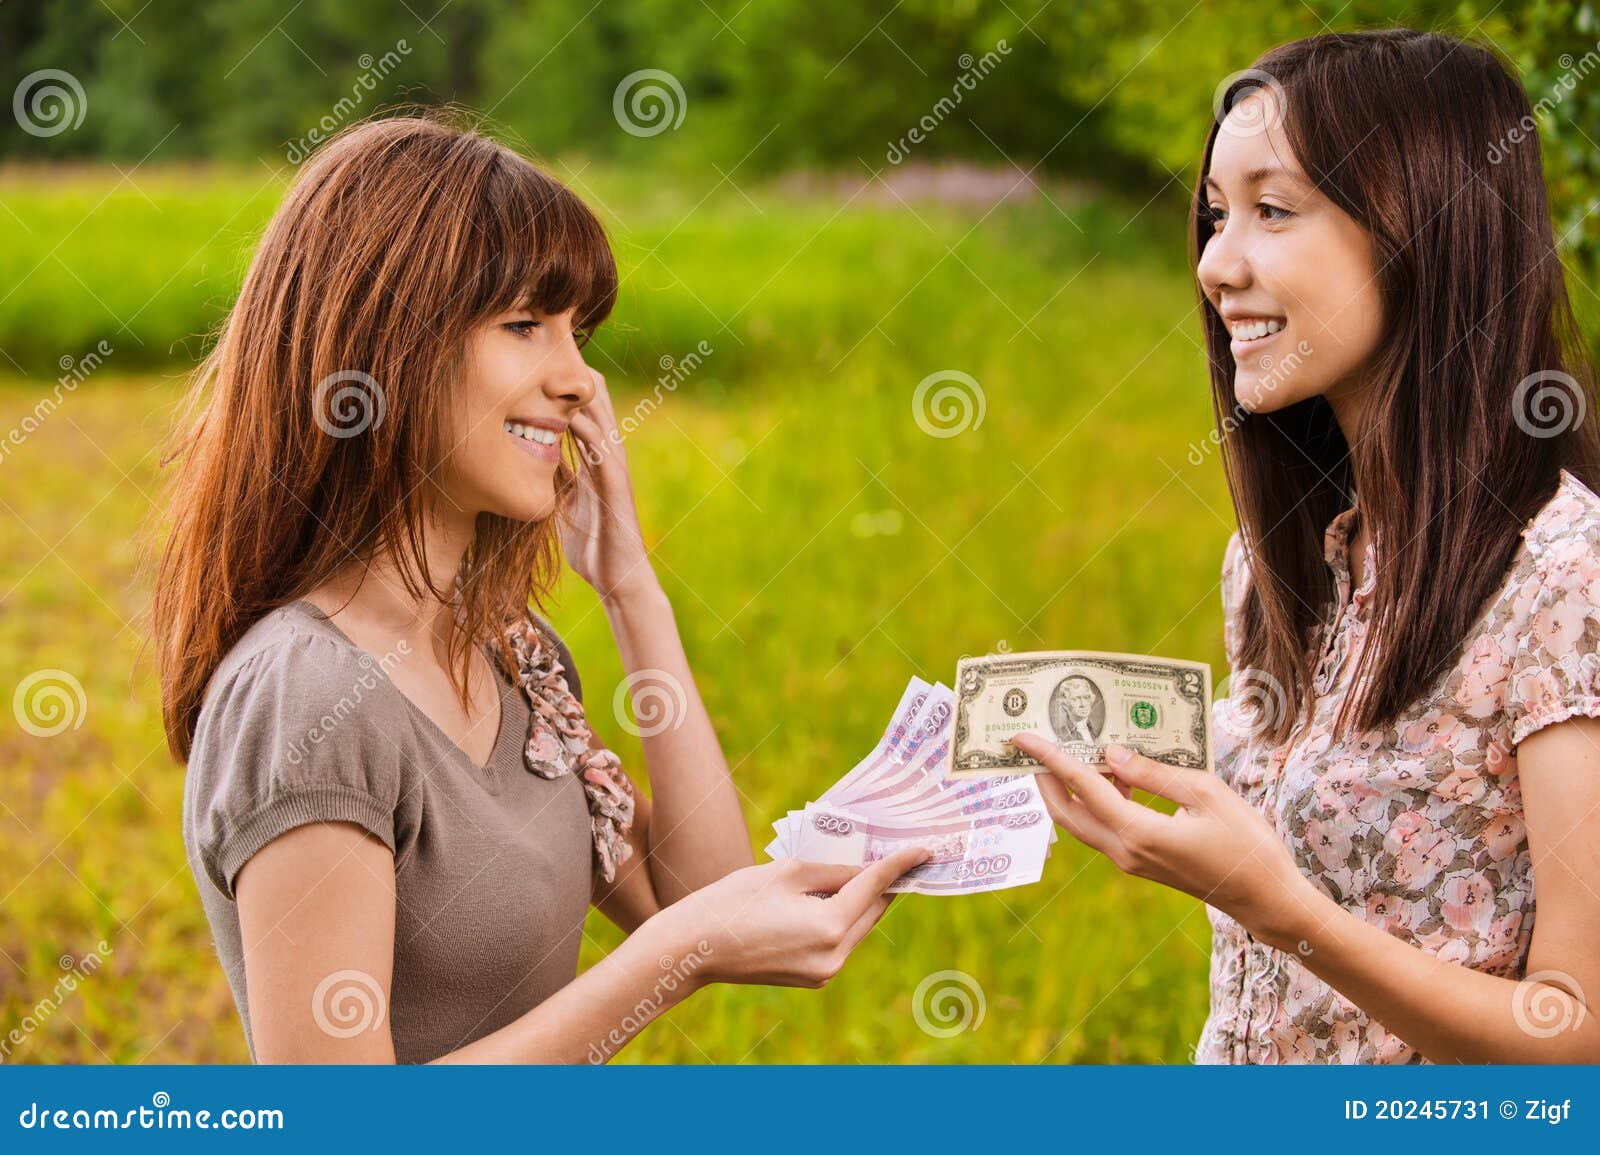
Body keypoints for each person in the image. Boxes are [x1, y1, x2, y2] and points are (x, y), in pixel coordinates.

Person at [151, 114, 926, 1064]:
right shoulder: (310, 696)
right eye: (525, 326)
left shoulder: (510, 655)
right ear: (384, 340)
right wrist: (676, 955)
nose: (578, 380)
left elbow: (705, 894)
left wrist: (629, 584)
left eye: (578, 332)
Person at [1018, 29, 1600, 1063]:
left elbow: (1578, 1036)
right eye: (1212, 216)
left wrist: (1287, 912)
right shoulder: (1277, 559)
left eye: (1271, 211)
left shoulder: (1563, 579)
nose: (1213, 264)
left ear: (1424, 226)